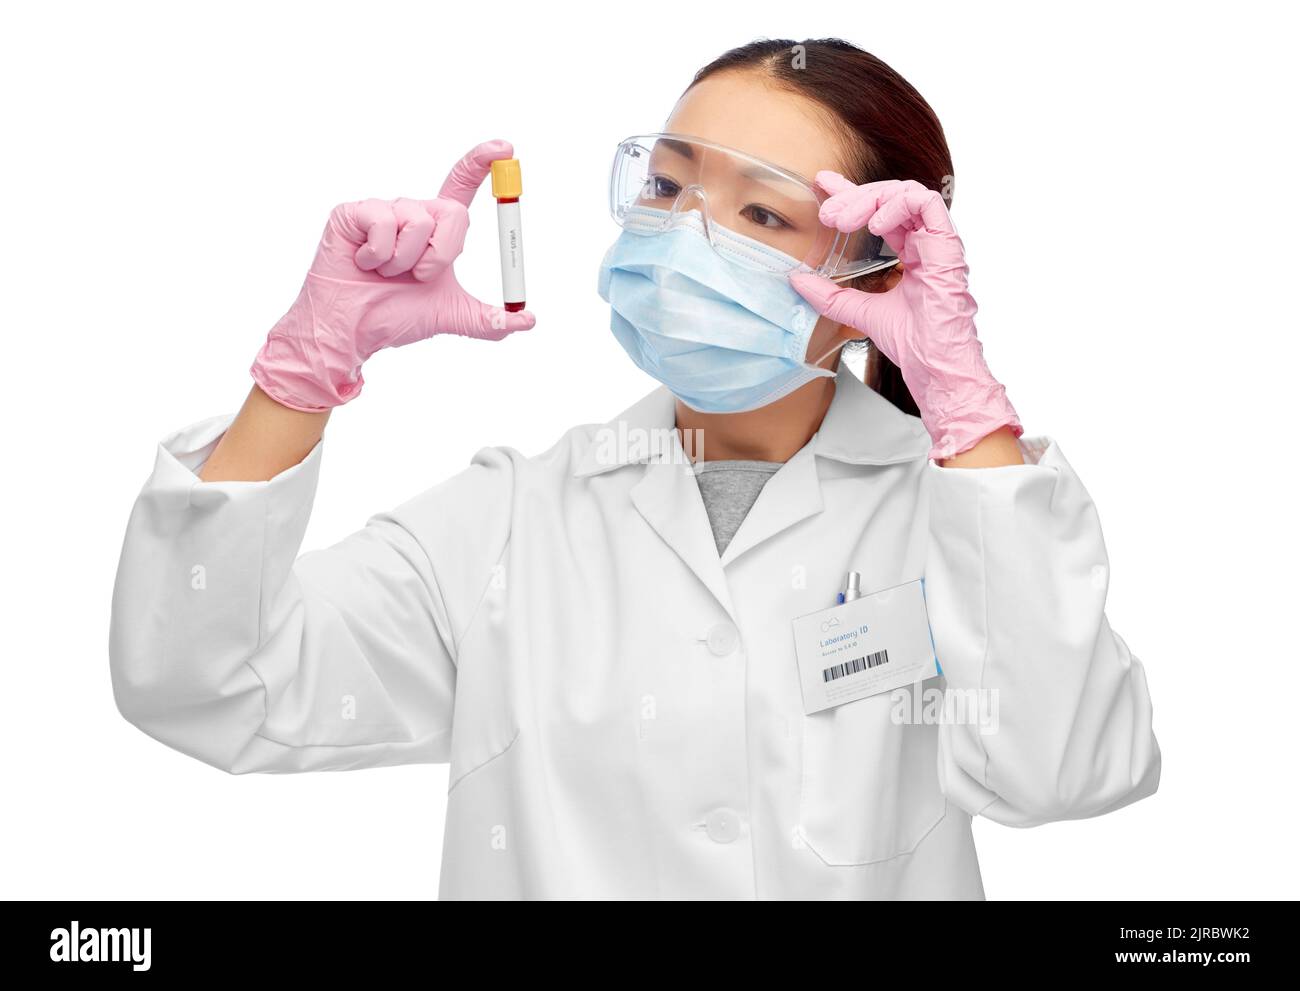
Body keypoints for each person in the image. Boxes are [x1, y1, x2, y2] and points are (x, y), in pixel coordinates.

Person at [109, 38, 1160, 900]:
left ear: (869, 265)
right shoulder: (513, 520)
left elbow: (1060, 773)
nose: (684, 238)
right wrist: (301, 370)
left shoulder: (957, 515)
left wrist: (965, 404)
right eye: (666, 186)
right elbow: (204, 684)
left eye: (760, 213)